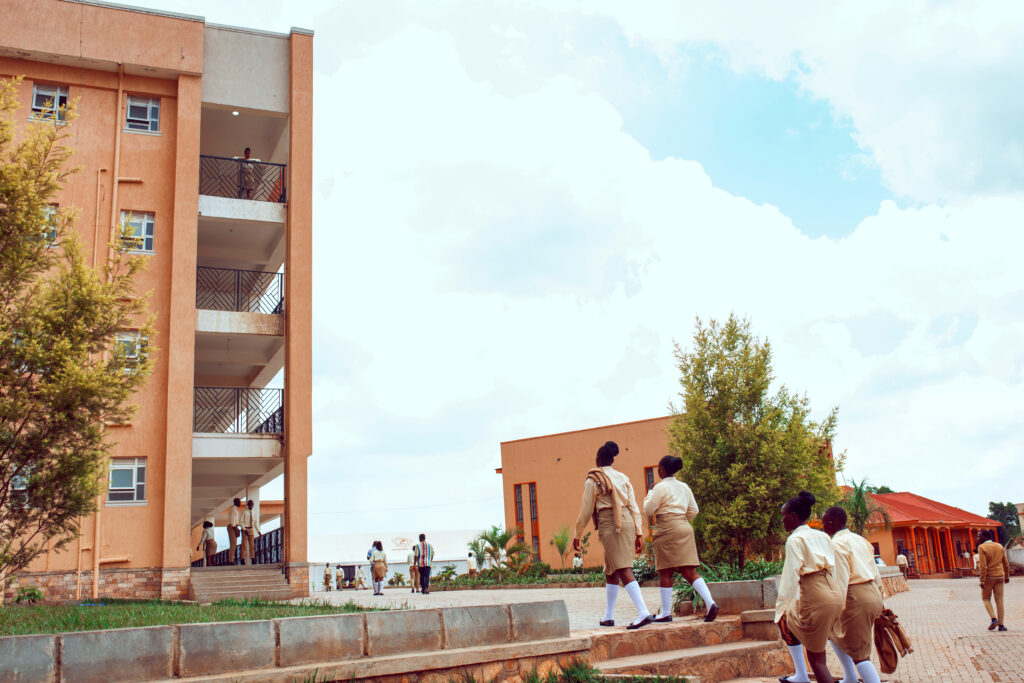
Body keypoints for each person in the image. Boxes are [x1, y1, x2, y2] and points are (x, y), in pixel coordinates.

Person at [573, 440, 652, 630]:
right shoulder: (623, 477)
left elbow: (586, 510)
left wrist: (577, 534)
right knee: (610, 570)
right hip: (626, 520)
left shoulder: (594, 479)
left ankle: (643, 612)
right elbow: (633, 506)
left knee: (623, 568)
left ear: (598, 458)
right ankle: (608, 616)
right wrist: (638, 532)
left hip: (610, 522)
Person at [775, 491, 843, 683]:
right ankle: (800, 676)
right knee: (817, 648)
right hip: (833, 592)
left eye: (784, 516)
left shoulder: (795, 540)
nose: (782, 521)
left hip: (815, 595)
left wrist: (780, 607)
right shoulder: (822, 536)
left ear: (794, 516)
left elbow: (790, 577)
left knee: (817, 660)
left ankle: (802, 676)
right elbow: (834, 568)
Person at [642, 455, 718, 623]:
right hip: (684, 527)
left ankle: (666, 613)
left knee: (665, 571)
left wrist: (650, 493)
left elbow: (648, 510)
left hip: (666, 528)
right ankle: (710, 602)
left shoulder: (660, 488)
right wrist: (682, 519)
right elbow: (694, 510)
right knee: (690, 571)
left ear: (662, 469)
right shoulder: (684, 487)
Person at [823, 506, 884, 683]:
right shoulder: (860, 540)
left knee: (860, 652)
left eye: (825, 522)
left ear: (832, 523)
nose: (823, 526)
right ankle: (850, 677)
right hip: (872, 592)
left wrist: (836, 607)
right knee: (833, 631)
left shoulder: (836, 545)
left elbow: (841, 580)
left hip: (855, 597)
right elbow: (875, 572)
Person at [977, 529, 1010, 631]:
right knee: (999, 601)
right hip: (1000, 576)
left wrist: (982, 580)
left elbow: (983, 566)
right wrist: (1007, 576)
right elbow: (1005, 563)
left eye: (979, 536)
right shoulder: (999, 546)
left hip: (989, 577)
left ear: (985, 537)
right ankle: (1001, 625)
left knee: (986, 598)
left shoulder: (982, 547)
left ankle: (993, 619)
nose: (978, 538)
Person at [239, 499, 261, 565]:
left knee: (252, 545)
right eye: (249, 504)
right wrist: (244, 529)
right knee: (244, 545)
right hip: (245, 529)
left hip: (251, 529)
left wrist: (258, 531)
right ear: (247, 505)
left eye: (252, 504)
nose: (251, 505)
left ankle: (253, 559)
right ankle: (242, 559)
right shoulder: (244, 512)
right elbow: (241, 521)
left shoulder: (254, 513)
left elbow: (256, 523)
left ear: (253, 505)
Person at [228, 498, 243, 565]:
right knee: (233, 544)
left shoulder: (235, 509)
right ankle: (231, 561)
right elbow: (232, 521)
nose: (240, 503)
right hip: (232, 527)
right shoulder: (233, 509)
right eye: (239, 502)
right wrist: (235, 529)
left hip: (234, 527)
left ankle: (232, 559)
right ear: (236, 502)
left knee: (234, 544)